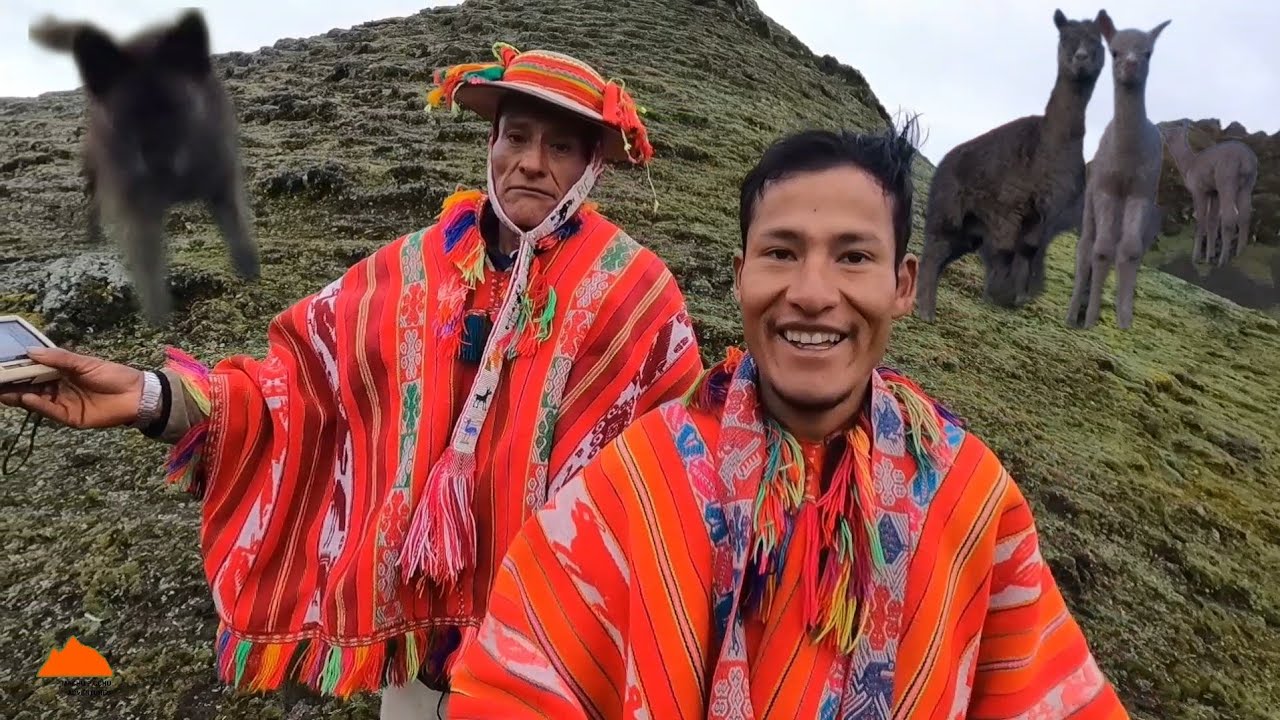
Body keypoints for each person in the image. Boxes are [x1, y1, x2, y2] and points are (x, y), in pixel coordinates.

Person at [0, 41, 703, 718]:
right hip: (418, 659)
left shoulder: (637, 297)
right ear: (489, 143)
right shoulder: (410, 270)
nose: (530, 163)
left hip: (552, 663)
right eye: (515, 136)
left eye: (561, 147)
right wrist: (151, 398)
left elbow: (678, 472)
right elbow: (295, 391)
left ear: (592, 166)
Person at [447, 123, 1130, 718]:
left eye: (854, 257)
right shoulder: (643, 481)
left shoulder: (969, 496)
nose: (810, 294)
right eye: (781, 253)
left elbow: (1050, 693)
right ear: (741, 276)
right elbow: (514, 678)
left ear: (902, 284)